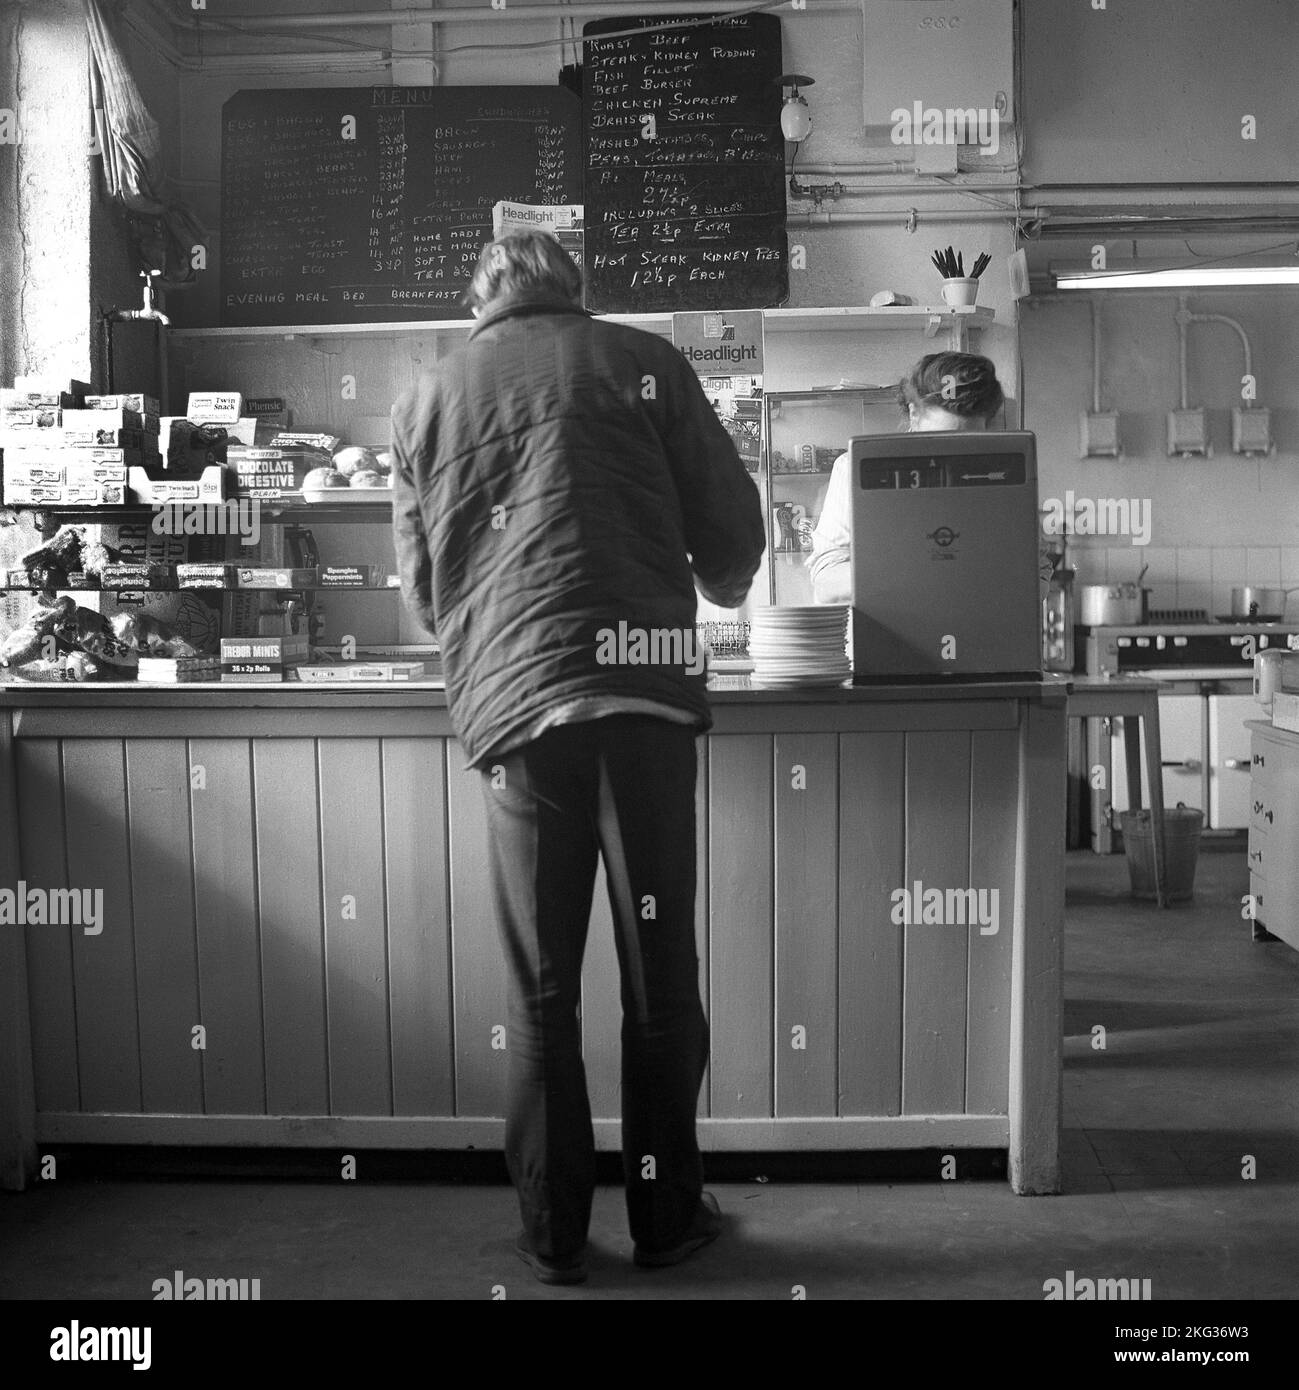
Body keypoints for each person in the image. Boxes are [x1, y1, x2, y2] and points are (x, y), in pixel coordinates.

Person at [390, 231, 766, 1285]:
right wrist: (718, 586)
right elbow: (733, 530)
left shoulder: (426, 396)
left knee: (541, 990)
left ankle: (554, 1234)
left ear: (481, 303)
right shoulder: (644, 357)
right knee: (657, 978)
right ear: (576, 292)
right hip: (641, 700)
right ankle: (667, 1218)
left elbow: (424, 595)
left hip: (521, 716)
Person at [807, 352, 1006, 605]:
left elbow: (1039, 574)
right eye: (940, 441)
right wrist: (917, 573)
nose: (951, 456)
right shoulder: (854, 469)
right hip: (887, 634)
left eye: (967, 443)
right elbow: (826, 581)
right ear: (914, 415)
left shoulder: (1004, 473)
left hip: (982, 629)